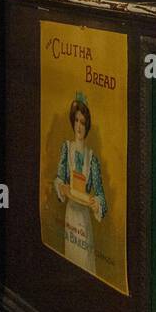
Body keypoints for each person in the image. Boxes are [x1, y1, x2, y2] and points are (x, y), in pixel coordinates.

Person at [53, 93, 106, 274]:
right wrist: (62, 187)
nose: (79, 126)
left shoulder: (92, 159)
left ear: (87, 126)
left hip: (84, 219)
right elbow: (59, 179)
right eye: (76, 121)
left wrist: (96, 203)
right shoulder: (66, 149)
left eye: (82, 122)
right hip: (70, 216)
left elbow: (100, 194)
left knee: (85, 264)